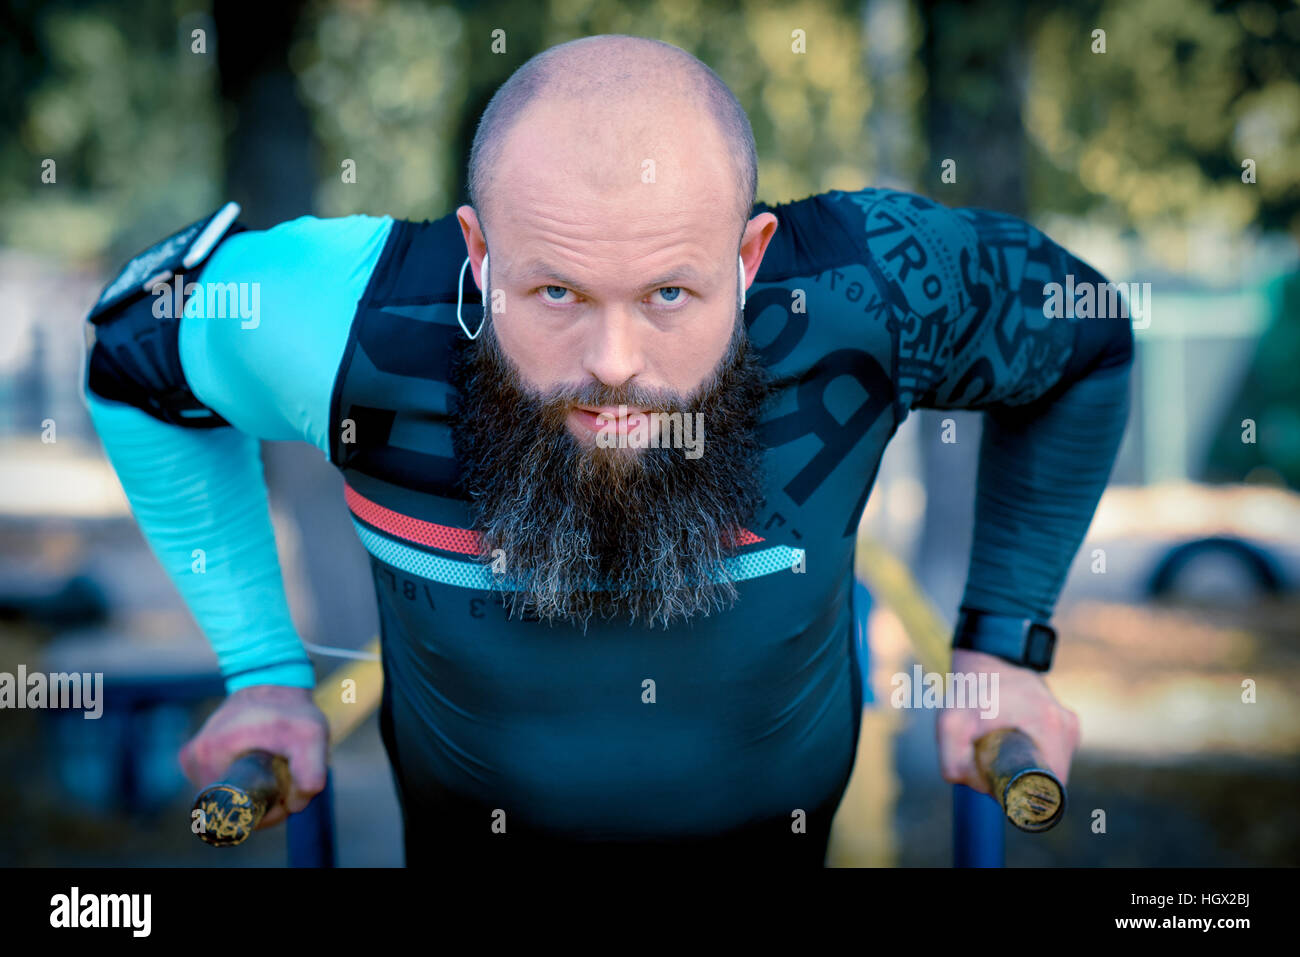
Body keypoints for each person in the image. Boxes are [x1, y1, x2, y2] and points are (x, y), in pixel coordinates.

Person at [82, 34, 1131, 866]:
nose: (615, 362)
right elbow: (133, 354)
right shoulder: (349, 321)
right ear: (479, 253)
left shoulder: (869, 295)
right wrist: (262, 668)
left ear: (750, 254)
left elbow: (1085, 338)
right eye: (556, 294)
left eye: (670, 293)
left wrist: (1002, 646)